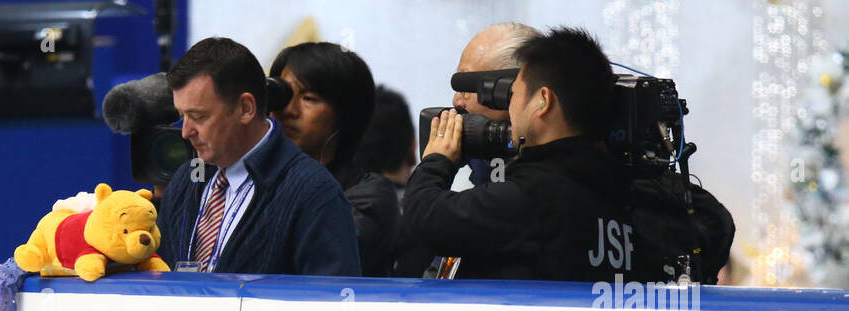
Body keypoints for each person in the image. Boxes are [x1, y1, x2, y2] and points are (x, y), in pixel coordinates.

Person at [401, 27, 645, 282]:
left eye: (514, 93)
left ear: (542, 101)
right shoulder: (620, 193)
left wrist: (436, 160)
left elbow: (425, 215)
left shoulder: (534, 195)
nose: (510, 105)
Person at [158, 36, 360, 277]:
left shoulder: (314, 192)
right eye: (182, 116)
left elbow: (330, 304)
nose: (185, 132)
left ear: (246, 108)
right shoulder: (185, 179)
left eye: (199, 116)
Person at [269, 42, 399, 277]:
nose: (288, 110)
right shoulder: (250, 179)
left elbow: (316, 258)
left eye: (308, 98)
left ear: (345, 114)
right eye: (282, 94)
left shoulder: (369, 193)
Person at [451, 22, 541, 188]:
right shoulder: (480, 140)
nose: (456, 102)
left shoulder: (555, 161)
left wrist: (433, 169)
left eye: (466, 89)